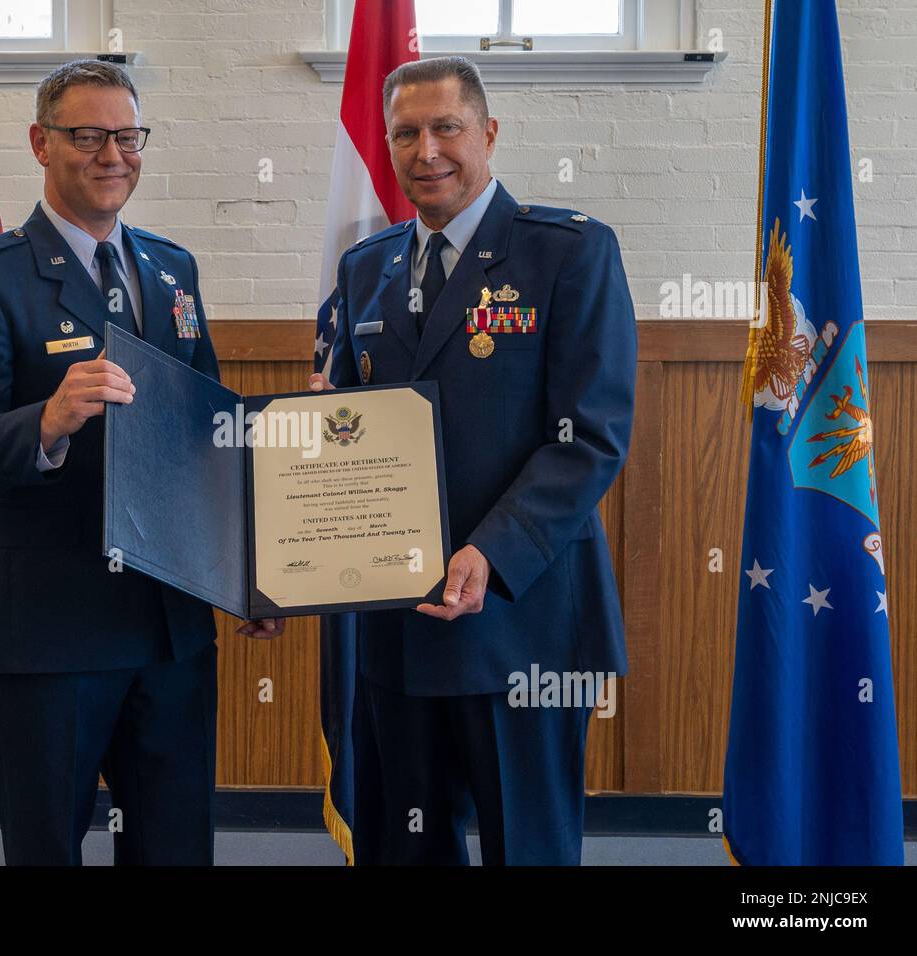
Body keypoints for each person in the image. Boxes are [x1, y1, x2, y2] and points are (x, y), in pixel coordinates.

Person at [0, 59, 259, 865]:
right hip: (52, 634)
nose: (113, 154)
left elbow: (208, 435)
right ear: (41, 144)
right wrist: (43, 422)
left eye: (128, 135)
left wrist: (251, 569)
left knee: (176, 851)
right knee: (47, 853)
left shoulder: (172, 269)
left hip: (170, 629)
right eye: (87, 136)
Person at [312, 55, 636, 865]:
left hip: (520, 622)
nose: (427, 151)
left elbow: (591, 435)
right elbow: (346, 435)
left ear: (488, 133)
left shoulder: (569, 253)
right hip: (396, 624)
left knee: (526, 847)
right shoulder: (365, 268)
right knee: (402, 846)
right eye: (406, 134)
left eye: (446, 128)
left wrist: (489, 550)